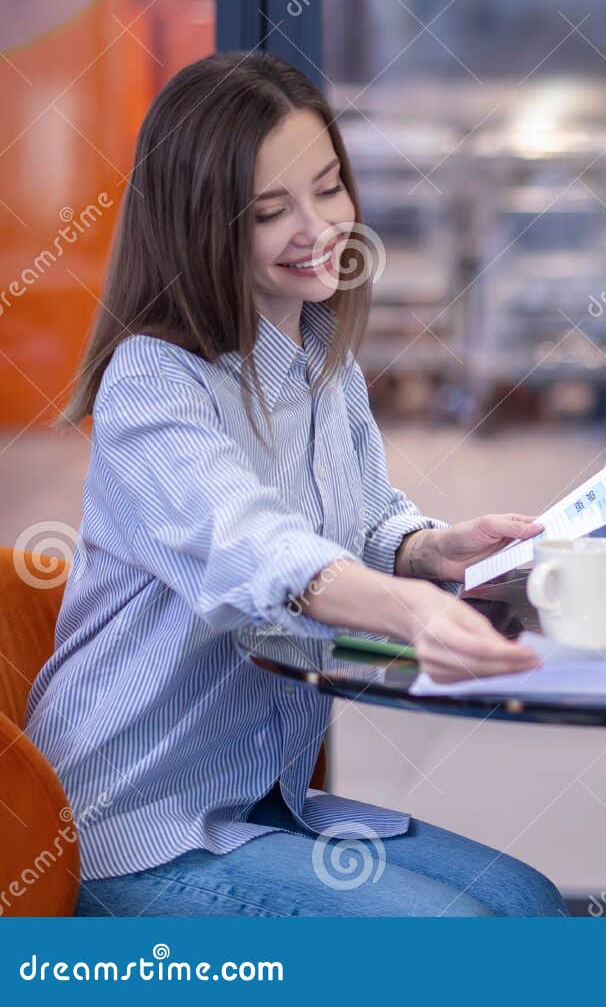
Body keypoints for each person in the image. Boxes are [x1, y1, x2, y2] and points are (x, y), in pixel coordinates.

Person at [26, 52, 564, 917]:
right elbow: (260, 549)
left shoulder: (325, 361)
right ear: (201, 226)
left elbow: (363, 518)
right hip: (125, 826)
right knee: (462, 935)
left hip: (265, 802)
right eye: (272, 210)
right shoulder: (154, 383)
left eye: (328, 188)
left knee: (528, 902)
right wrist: (413, 611)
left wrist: (431, 548)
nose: (319, 227)